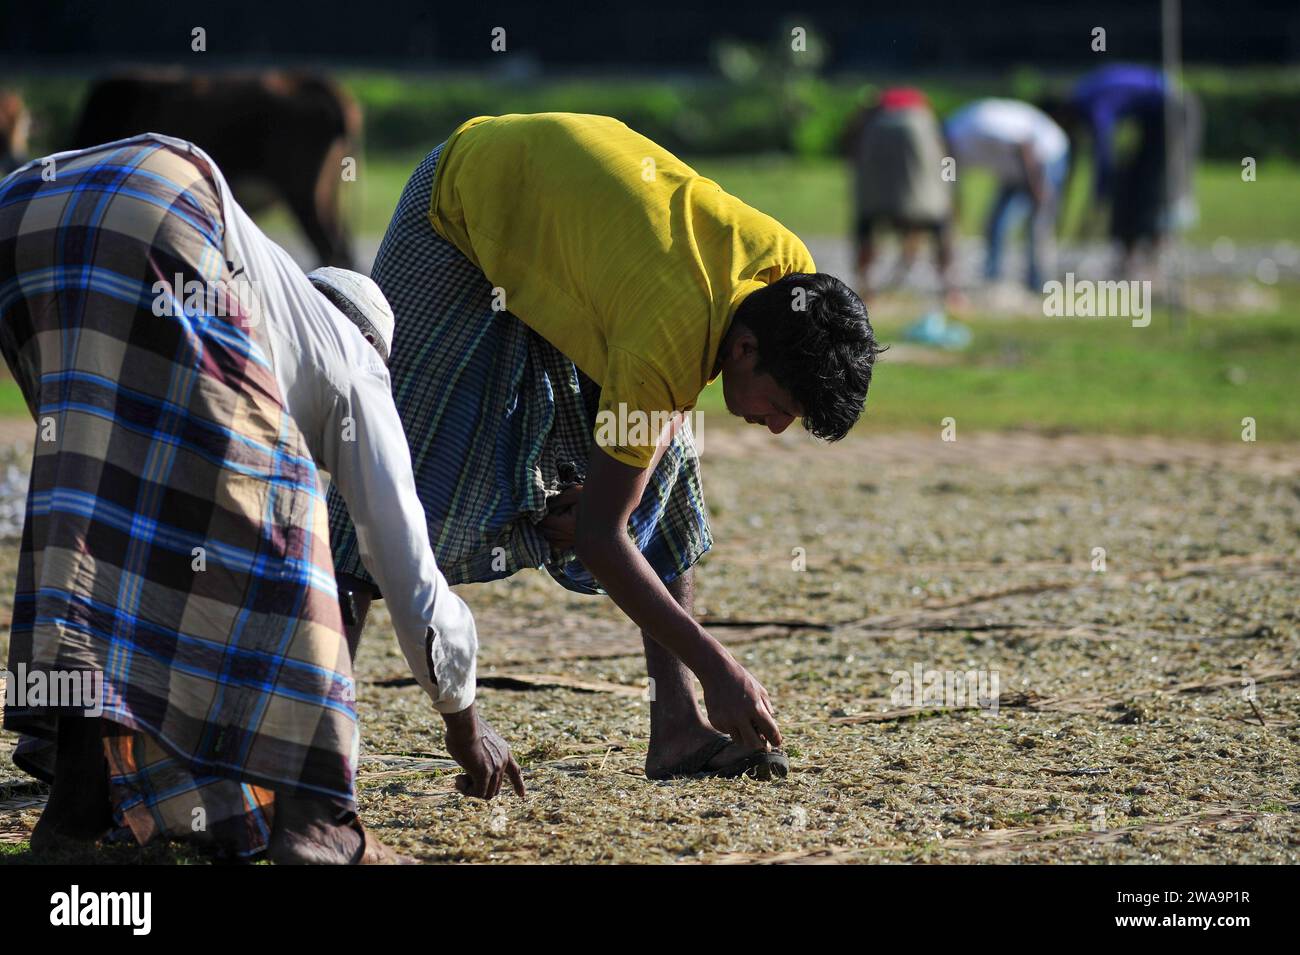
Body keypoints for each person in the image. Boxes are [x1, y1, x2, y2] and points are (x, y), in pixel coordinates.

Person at [0, 133, 518, 864]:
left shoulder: (265, 308)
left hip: (28, 210)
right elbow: (406, 563)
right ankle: (315, 826)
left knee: (105, 532)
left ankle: (75, 818)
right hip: (167, 196)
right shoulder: (352, 361)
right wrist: (464, 722)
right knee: (284, 514)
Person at [328, 113, 882, 782]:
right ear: (744, 350)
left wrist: (621, 489)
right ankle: (310, 746)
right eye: (783, 409)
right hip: (466, 206)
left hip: (572, 231)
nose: (775, 428)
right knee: (384, 486)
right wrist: (720, 667)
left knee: (667, 474)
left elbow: (658, 413)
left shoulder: (786, 274)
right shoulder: (669, 336)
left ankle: (676, 727)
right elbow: (600, 538)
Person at [1062, 64, 1202, 272]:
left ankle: (1156, 259)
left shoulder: (1091, 103)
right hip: (1152, 120)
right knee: (1128, 181)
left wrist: (1100, 193)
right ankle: (1128, 254)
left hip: (1175, 110)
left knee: (1155, 185)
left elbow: (1103, 151)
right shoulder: (1083, 95)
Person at [842, 87, 956, 303]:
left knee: (867, 218)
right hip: (918, 130)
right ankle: (951, 291)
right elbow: (944, 153)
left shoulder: (873, 109)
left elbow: (851, 144)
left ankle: (864, 288)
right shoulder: (924, 110)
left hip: (877, 134)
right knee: (936, 217)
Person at [945, 98, 1069, 291]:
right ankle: (993, 281)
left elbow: (1025, 145)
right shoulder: (950, 149)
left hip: (1045, 155)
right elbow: (950, 183)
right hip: (1014, 169)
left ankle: (1039, 284)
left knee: (1037, 224)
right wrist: (952, 207)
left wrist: (1036, 188)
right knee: (997, 223)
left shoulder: (976, 128)